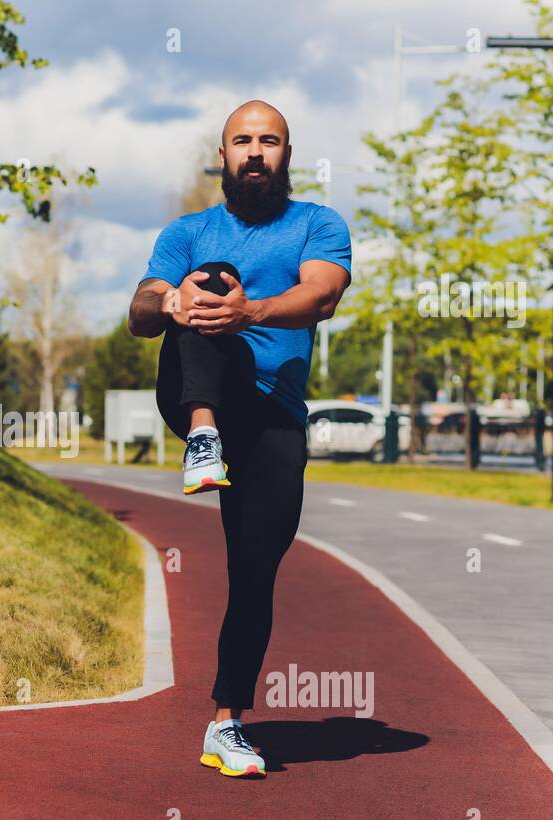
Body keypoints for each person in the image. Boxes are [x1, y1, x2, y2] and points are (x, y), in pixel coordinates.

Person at [126, 100, 352, 776]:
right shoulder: (189, 231)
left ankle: (226, 723)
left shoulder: (317, 224)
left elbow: (322, 296)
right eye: (242, 141)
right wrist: (172, 300)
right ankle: (202, 438)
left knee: (255, 573)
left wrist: (250, 310)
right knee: (208, 280)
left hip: (274, 416)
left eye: (269, 141)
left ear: (286, 154)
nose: (255, 152)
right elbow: (140, 309)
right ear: (222, 155)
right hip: (200, 393)